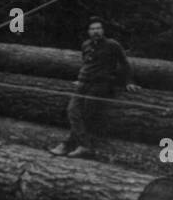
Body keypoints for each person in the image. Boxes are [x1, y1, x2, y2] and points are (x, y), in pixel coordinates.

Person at [50, 17, 140, 159]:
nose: (96, 31)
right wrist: (80, 78)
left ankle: (68, 144)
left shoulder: (112, 45)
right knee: (72, 110)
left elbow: (124, 64)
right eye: (92, 29)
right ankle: (81, 145)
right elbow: (86, 64)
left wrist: (128, 81)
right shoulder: (85, 45)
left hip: (100, 85)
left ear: (103, 30)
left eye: (98, 28)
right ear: (88, 32)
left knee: (86, 113)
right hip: (83, 83)